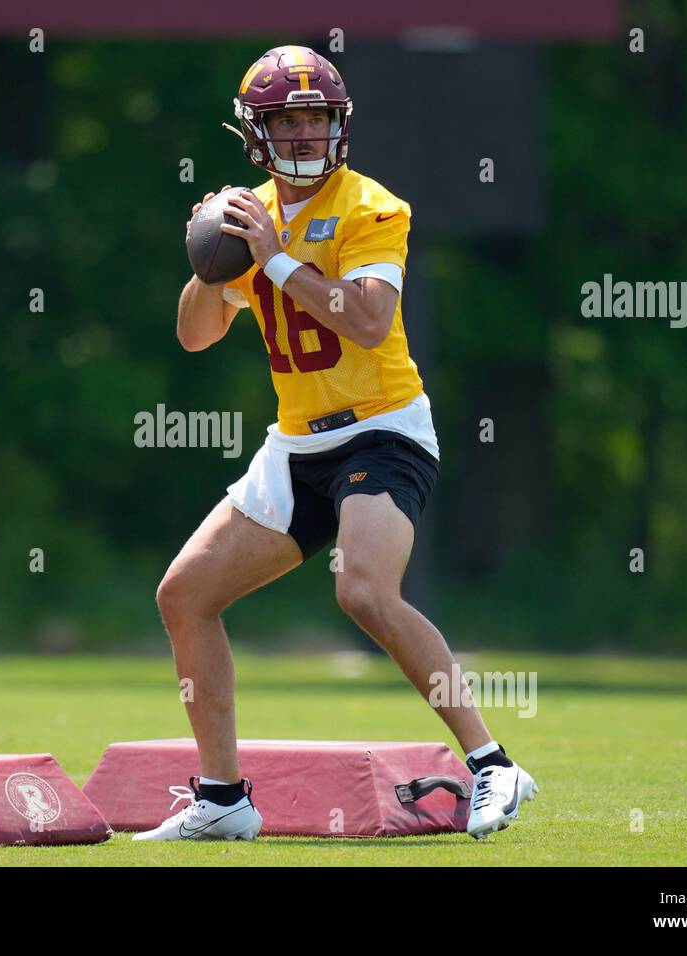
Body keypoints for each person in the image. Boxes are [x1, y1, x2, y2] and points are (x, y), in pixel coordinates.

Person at [134, 45, 538, 842]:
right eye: (287, 119)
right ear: (256, 133)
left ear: (339, 123)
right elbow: (195, 336)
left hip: (380, 427)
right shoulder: (248, 214)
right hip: (294, 445)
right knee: (183, 597)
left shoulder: (372, 207)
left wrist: (276, 258)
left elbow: (367, 319)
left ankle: (495, 766)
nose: (304, 132)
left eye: (316, 116)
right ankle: (222, 799)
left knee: (361, 590)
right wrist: (208, 264)